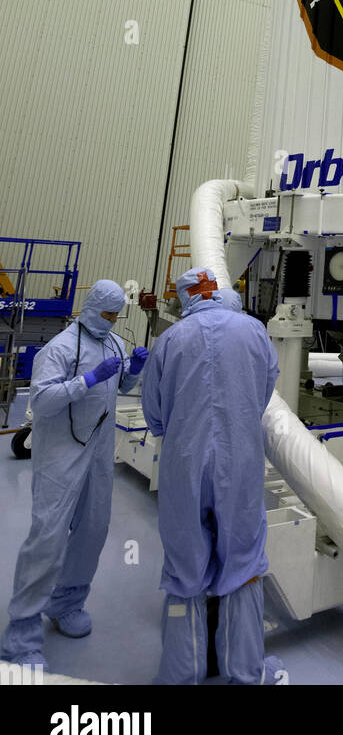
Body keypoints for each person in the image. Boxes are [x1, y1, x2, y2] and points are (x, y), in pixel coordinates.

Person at [141, 266, 280, 685]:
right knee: (243, 561)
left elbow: (153, 412)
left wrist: (186, 433)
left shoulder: (169, 340)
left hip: (183, 464)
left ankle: (183, 674)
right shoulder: (254, 331)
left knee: (185, 566)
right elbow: (265, 387)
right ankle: (244, 672)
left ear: (186, 298)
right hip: (240, 462)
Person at [0, 281, 148, 668]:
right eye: (107, 314)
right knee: (47, 537)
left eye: (117, 316)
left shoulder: (114, 344)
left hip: (98, 454)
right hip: (60, 455)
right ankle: (21, 635)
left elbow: (121, 387)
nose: (112, 321)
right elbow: (42, 401)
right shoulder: (60, 348)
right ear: (91, 308)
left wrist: (134, 369)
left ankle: (66, 602)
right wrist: (89, 379)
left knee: (92, 531)